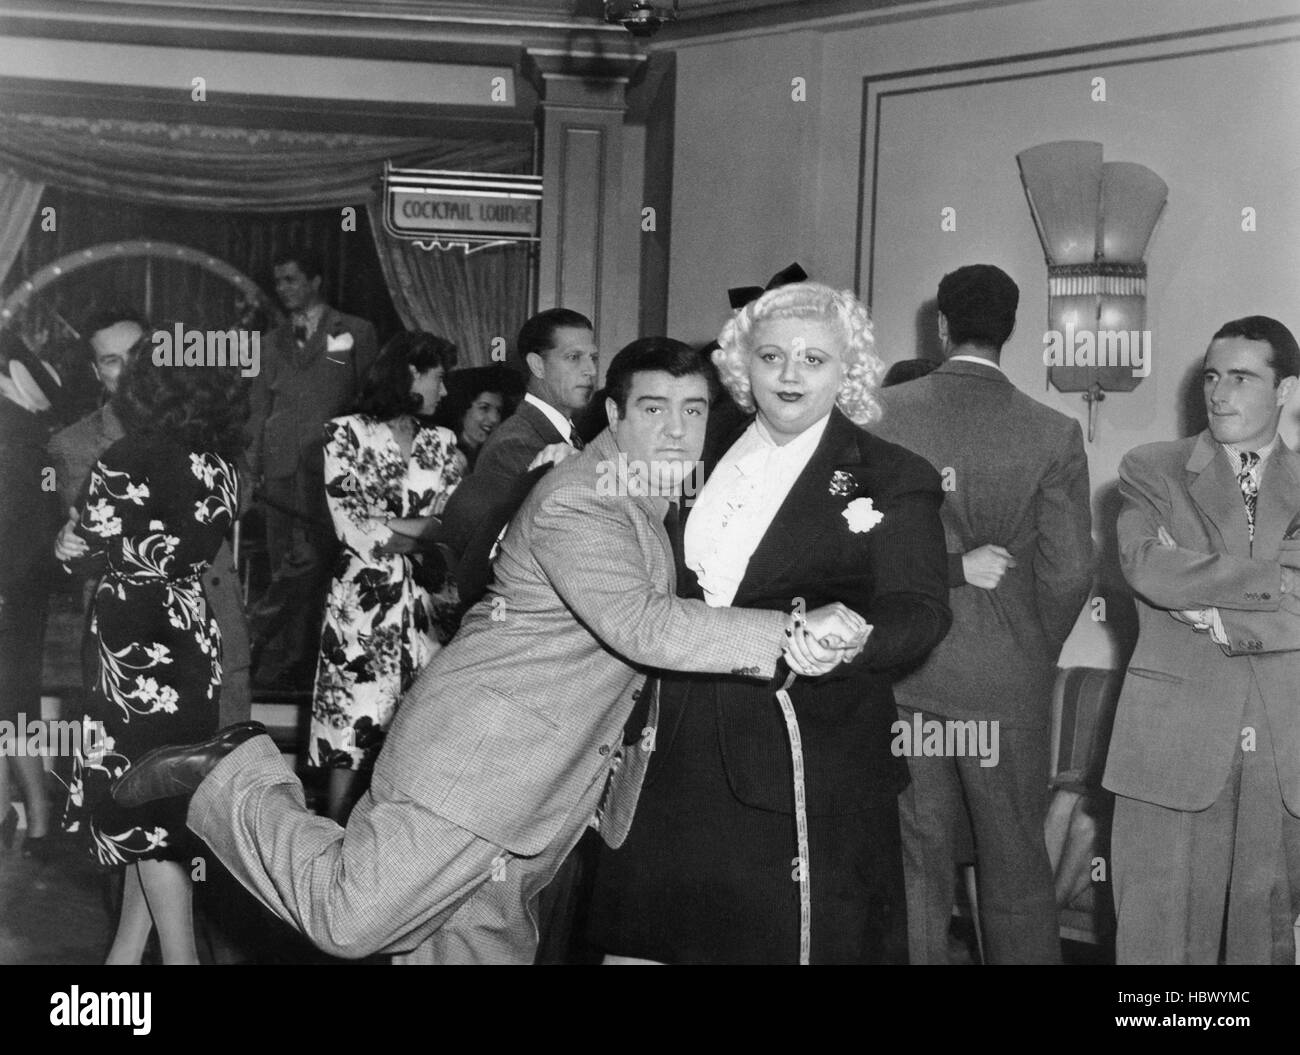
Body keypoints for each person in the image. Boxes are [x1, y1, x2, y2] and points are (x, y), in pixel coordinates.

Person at [111, 337, 870, 965]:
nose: (677, 430)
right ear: (612, 413)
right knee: (348, 916)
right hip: (472, 774)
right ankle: (234, 771)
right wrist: (790, 633)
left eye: (694, 410)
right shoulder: (586, 498)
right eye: (654, 408)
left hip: (528, 798)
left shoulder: (644, 497)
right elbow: (648, 626)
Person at [588, 282, 952, 964]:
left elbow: (923, 610)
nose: (790, 374)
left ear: (850, 370)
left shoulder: (891, 475)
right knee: (641, 947)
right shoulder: (693, 444)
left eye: (815, 359)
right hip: (673, 750)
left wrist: (855, 636)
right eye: (772, 355)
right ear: (740, 363)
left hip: (807, 764)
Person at [874, 264, 1093, 964]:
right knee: (1015, 865)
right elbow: (1069, 571)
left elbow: (857, 547)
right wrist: (1028, 645)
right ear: (1011, 330)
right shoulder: (1053, 432)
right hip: (1004, 686)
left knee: (918, 863)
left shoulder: (881, 414)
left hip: (909, 675)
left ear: (940, 326)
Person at [1104, 316, 1300, 964]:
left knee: (1266, 941)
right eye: (1213, 376)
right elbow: (1146, 565)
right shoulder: (1152, 468)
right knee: (1156, 951)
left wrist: (1214, 610)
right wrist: (1276, 586)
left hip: (1283, 748)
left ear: (1287, 391)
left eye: (1241, 377)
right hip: (1171, 742)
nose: (1219, 392)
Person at [61, 339, 247, 965]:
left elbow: (89, 538)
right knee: (160, 805)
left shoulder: (127, 453)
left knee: (137, 812)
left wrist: (69, 541)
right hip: (192, 635)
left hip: (132, 638)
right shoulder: (222, 465)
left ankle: (181, 962)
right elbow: (186, 545)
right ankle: (123, 962)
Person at [51, 309, 253, 729]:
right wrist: (66, 541)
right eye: (111, 360)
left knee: (222, 763)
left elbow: (241, 497)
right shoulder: (72, 445)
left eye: (137, 355)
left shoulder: (205, 427)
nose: (127, 372)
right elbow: (90, 541)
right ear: (95, 371)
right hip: (134, 638)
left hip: (214, 615)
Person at [309, 333, 465, 823]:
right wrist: (422, 530)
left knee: (420, 727)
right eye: (439, 377)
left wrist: (402, 529)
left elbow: (454, 525)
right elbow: (349, 526)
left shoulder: (443, 442)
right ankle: (333, 843)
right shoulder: (344, 434)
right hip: (362, 605)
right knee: (350, 726)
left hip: (427, 608)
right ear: (411, 373)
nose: (446, 391)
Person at [246, 248, 379, 688]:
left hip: (335, 470)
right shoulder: (268, 344)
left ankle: (311, 657)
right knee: (287, 562)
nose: (284, 289)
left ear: (316, 281)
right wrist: (250, 470)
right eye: (279, 281)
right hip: (280, 470)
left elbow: (369, 398)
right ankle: (286, 663)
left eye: (292, 280)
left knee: (325, 565)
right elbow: (256, 409)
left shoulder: (355, 332)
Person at [439, 308, 596, 563]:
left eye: (593, 358)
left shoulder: (563, 434)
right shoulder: (516, 444)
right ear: (537, 365)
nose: (589, 369)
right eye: (574, 357)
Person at [0, 343, 62, 860]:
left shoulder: (12, 434)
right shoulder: (29, 433)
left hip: (9, 589)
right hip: (21, 589)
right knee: (13, 705)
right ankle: (23, 817)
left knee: (12, 707)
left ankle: (39, 822)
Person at [432, 365, 517, 472]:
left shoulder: (501, 455)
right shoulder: (444, 451)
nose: (494, 419)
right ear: (464, 409)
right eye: (484, 408)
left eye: (498, 411)